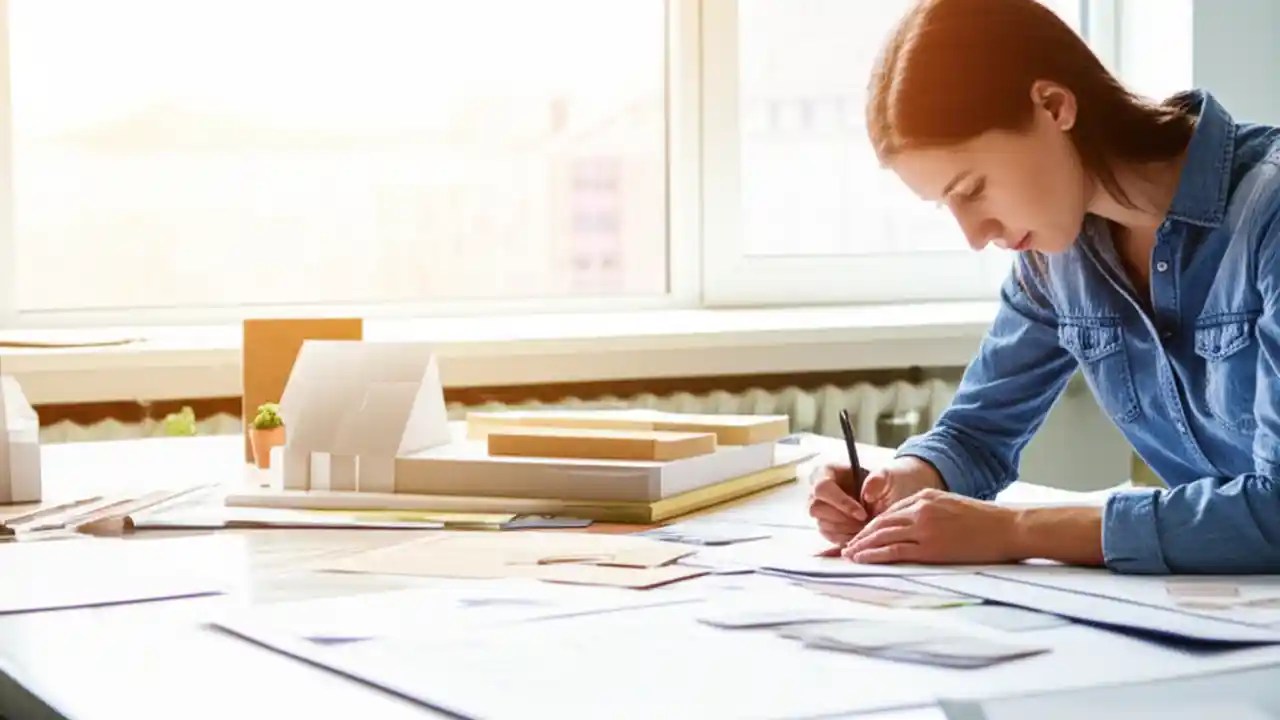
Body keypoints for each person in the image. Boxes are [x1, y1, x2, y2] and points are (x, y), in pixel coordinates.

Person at [807, 0, 1280, 575]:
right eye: (946, 206)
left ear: (1054, 106)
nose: (975, 236)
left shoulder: (1269, 213)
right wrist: (903, 482)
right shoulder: (1057, 256)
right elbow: (977, 435)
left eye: (973, 188)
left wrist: (1016, 530)